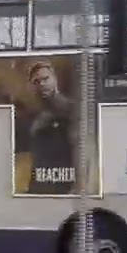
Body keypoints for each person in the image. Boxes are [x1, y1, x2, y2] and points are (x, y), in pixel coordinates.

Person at [25, 61, 78, 195]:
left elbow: (81, 151)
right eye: (37, 81)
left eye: (45, 79)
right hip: (40, 187)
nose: (42, 84)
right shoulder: (34, 116)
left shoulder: (71, 110)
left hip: (64, 188)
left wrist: (76, 188)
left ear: (55, 80)